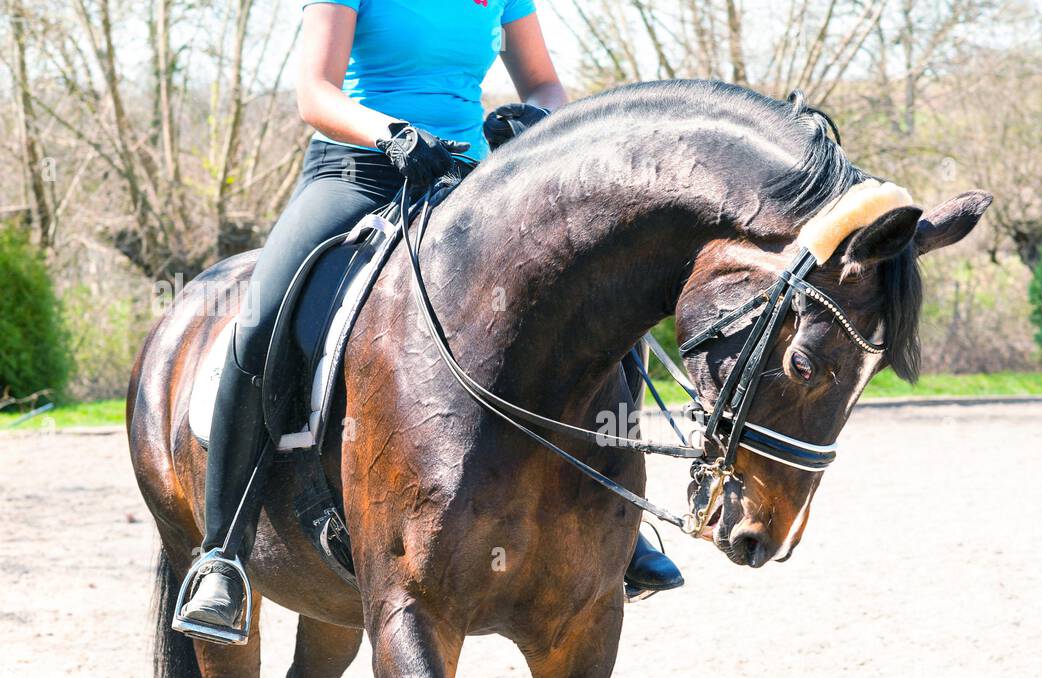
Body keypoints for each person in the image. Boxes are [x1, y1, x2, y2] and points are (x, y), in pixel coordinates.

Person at [179, 0, 682, 634]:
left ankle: (619, 519)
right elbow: (315, 93)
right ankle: (222, 555)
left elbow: (543, 83)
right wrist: (391, 133)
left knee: (598, 308)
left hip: (473, 181)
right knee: (262, 320)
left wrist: (539, 120)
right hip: (358, 170)